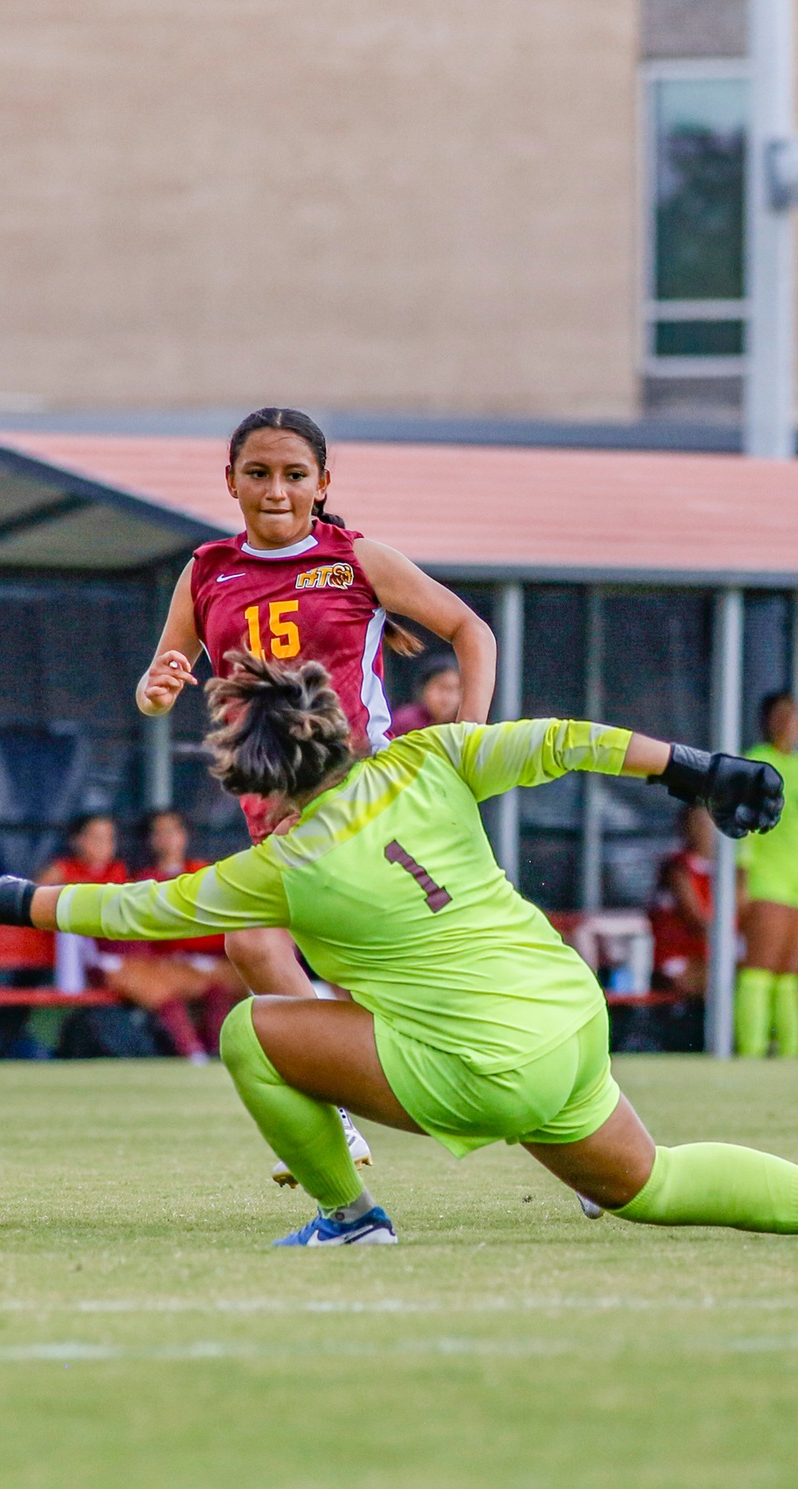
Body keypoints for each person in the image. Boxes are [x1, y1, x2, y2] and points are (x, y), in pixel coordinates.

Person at [0, 651, 798, 1243]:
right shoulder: (430, 757)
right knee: (647, 1183)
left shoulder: (280, 863)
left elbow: (132, 911)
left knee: (249, 1032)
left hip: (477, 1069)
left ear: (255, 781)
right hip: (565, 1019)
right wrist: (694, 765)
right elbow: (560, 739)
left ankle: (350, 1219)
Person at [134, 408, 496, 1171]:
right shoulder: (206, 570)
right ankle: (338, 1110)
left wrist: (467, 739)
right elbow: (161, 677)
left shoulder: (355, 560)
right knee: (254, 943)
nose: (275, 490)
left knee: (433, 990)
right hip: (279, 822)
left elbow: (472, 630)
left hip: (371, 808)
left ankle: (574, 1128)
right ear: (229, 480)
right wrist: (154, 688)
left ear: (323, 483)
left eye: (294, 475)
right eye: (258, 473)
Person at [735, 692, 798, 1059]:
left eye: (795, 715)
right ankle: (751, 1051)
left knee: (792, 972)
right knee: (760, 966)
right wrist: (742, 879)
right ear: (767, 721)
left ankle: (792, 1051)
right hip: (769, 880)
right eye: (782, 715)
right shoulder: (756, 763)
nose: (790, 723)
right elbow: (742, 826)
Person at [106, 808, 249, 1064]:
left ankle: (219, 1052)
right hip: (167, 967)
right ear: (150, 840)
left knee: (229, 981)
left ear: (184, 836)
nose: (167, 839)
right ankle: (192, 1053)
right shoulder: (141, 882)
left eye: (173, 830)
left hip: (212, 964)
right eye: (159, 832)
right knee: (141, 978)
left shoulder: (206, 874)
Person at [649, 807, 715, 998]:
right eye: (699, 823)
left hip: (710, 959)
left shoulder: (728, 870)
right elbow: (698, 921)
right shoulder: (678, 869)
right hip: (677, 961)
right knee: (737, 981)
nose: (706, 831)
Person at [390, 650, 464, 737]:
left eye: (455, 690)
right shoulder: (403, 722)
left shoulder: (465, 726)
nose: (448, 698)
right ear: (424, 689)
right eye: (442, 688)